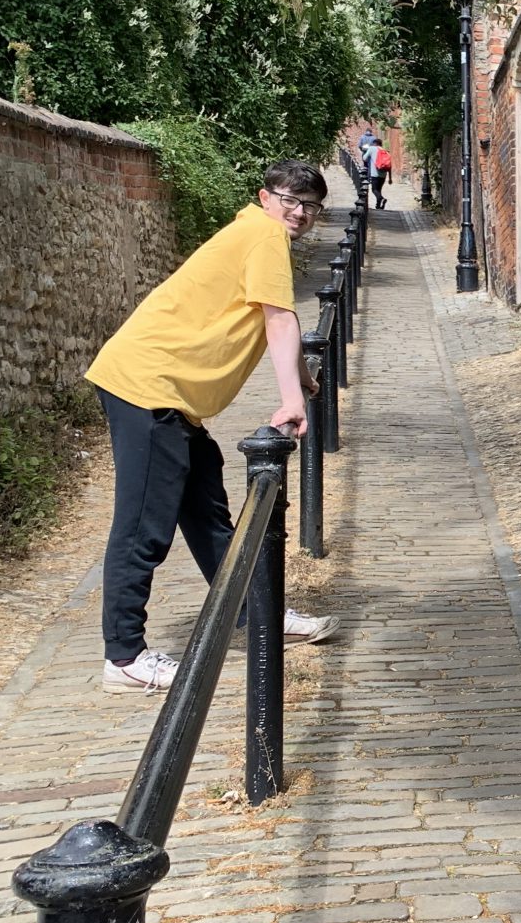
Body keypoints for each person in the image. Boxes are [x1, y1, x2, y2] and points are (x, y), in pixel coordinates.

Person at [85, 160, 340, 695]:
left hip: (167, 395)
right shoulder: (263, 234)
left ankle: (258, 612)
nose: (299, 213)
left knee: (207, 515)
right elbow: (278, 317)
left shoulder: (256, 232)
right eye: (290, 199)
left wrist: (302, 378)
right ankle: (124, 657)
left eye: (311, 206)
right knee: (141, 527)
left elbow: (272, 317)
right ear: (264, 197)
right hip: (148, 388)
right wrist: (293, 398)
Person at [371, 142, 392, 209]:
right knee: (379, 190)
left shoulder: (373, 149)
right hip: (383, 175)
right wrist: (390, 178)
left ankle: (381, 199)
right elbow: (389, 166)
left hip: (375, 174)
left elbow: (364, 158)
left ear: (375, 144)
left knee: (374, 189)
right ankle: (378, 206)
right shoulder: (386, 152)